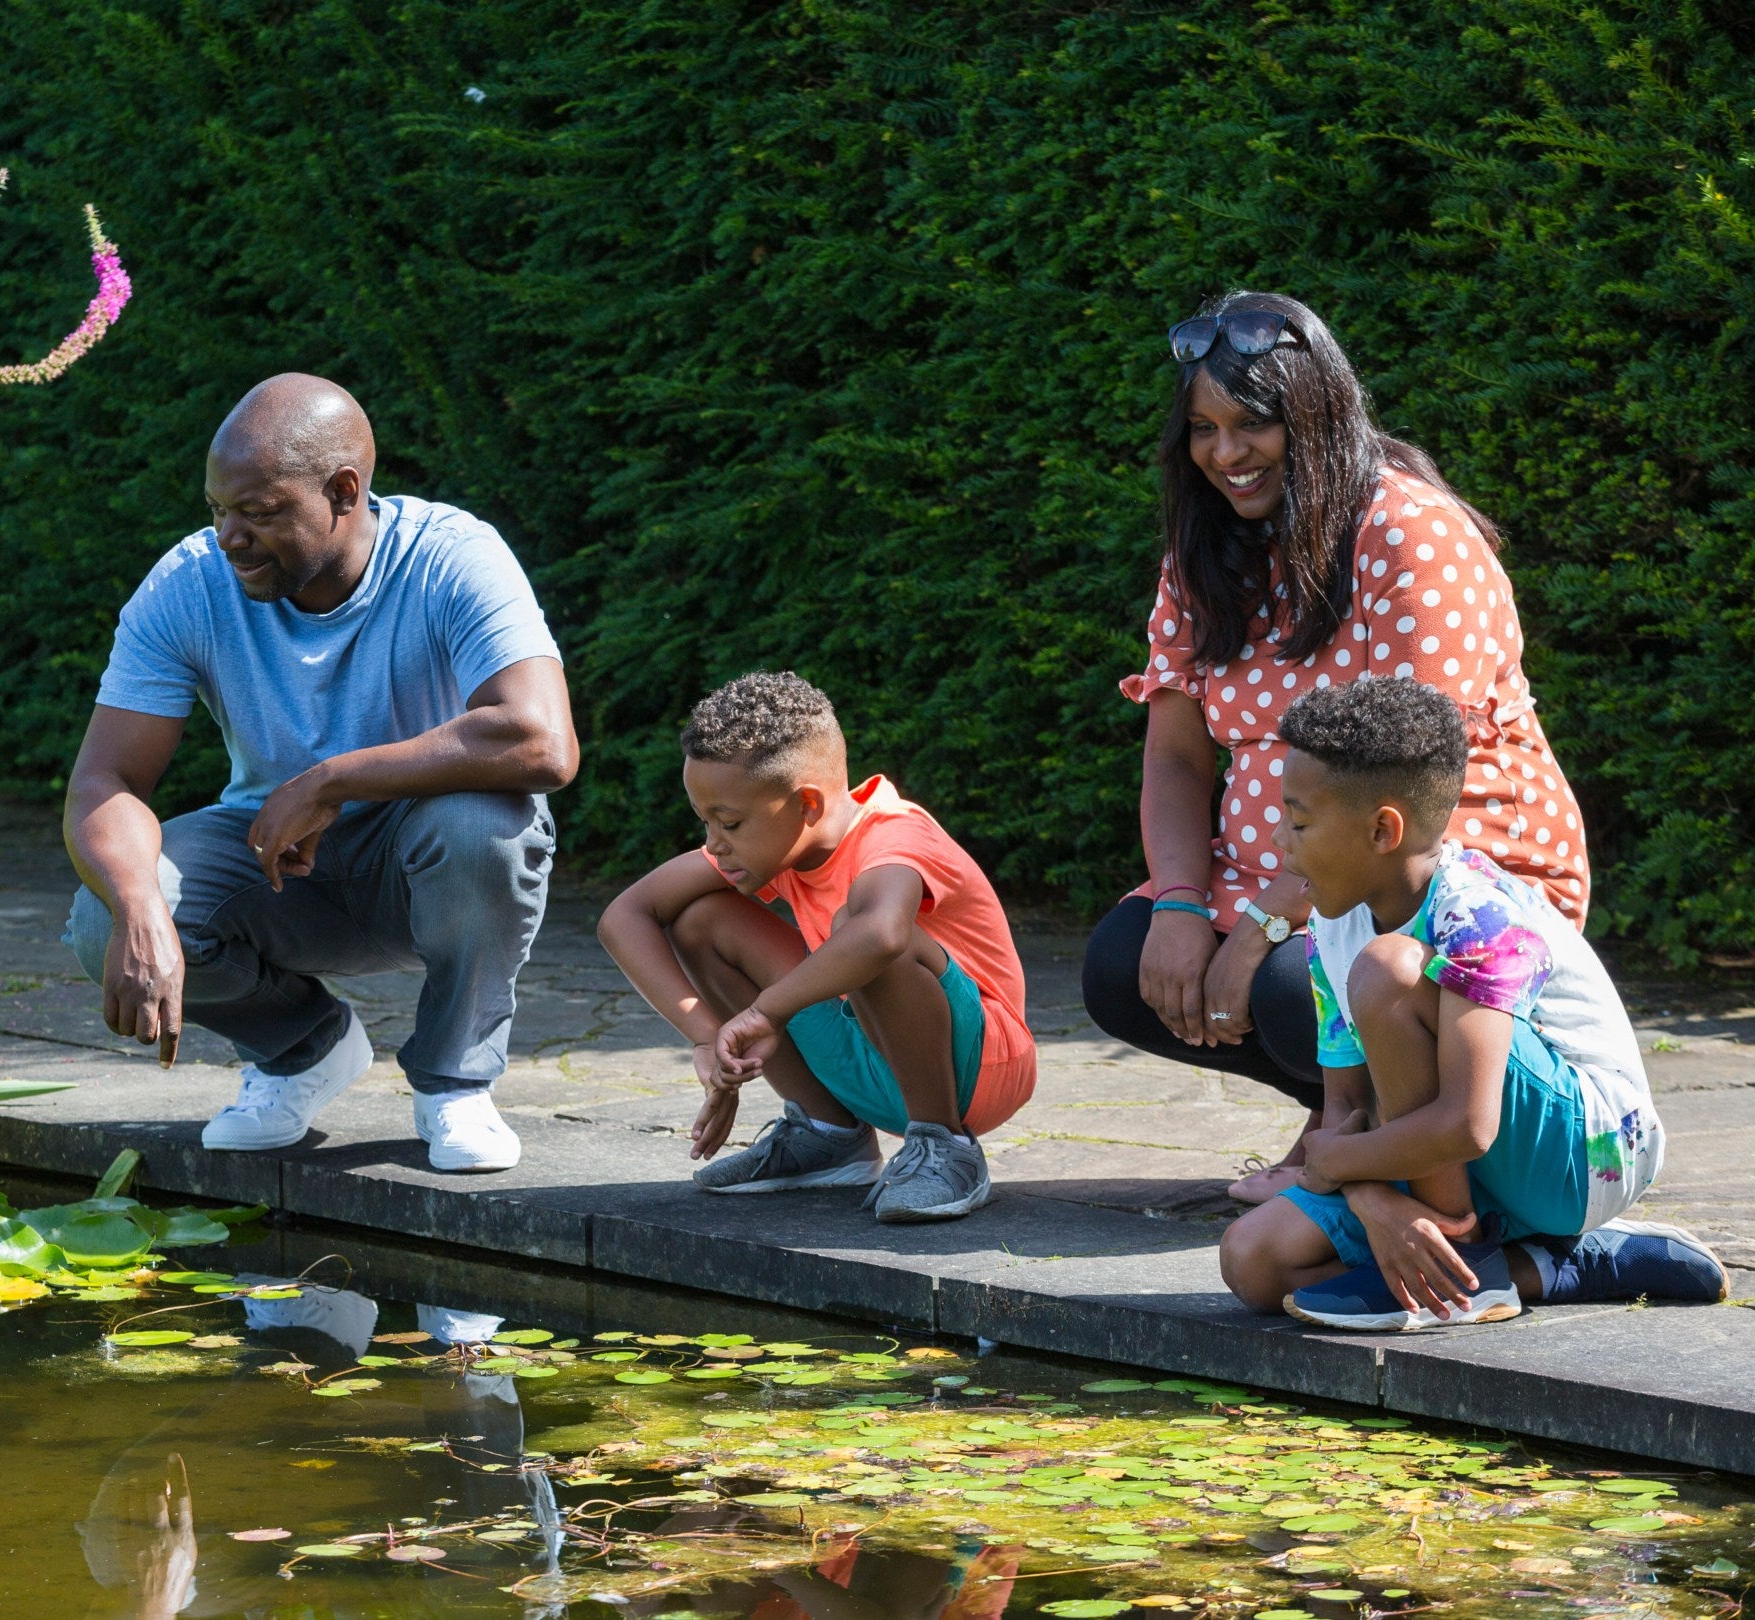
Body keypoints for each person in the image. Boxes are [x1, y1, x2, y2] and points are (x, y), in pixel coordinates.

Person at [1084, 290, 1600, 1207]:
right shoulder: (1207, 549)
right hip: (1287, 870)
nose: (1225, 454)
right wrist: (1178, 903)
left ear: (1314, 416)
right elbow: (1176, 757)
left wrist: (1262, 928)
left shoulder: (1410, 534)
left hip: (1438, 866)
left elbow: (1404, 769)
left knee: (1299, 985)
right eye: (1203, 429)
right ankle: (1341, 1116)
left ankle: (1378, 1146)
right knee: (1125, 967)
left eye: (1252, 424)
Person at [61, 374, 577, 1173]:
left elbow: (542, 741)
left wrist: (331, 780)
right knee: (104, 915)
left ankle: (455, 1084)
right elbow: (105, 782)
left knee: (489, 824)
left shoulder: (451, 557)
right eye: (217, 509)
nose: (229, 537)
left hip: (427, 864)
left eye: (259, 512)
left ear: (343, 492)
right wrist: (138, 908)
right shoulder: (189, 584)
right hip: (279, 868)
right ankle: (303, 1050)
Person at [1217, 677, 1727, 1331]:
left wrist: (1334, 1163)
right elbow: (1346, 1109)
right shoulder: (1331, 927)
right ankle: (1550, 1266)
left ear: (1383, 830)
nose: (1280, 842)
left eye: (1299, 822)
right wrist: (1374, 1201)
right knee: (1255, 1262)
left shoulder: (1476, 913)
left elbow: (1467, 1126)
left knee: (1391, 971)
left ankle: (1469, 1257)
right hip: (1451, 1159)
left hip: (1581, 1156)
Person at [596, 673, 1034, 1223]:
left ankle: (944, 1145)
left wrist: (764, 1013)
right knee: (702, 921)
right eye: (705, 821)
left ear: (806, 804)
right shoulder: (780, 843)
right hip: (870, 1057)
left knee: (865, 931)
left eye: (729, 823)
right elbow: (625, 916)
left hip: (978, 1071)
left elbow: (881, 936)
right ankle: (828, 1135)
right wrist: (708, 1037)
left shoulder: (895, 836)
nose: (713, 843)